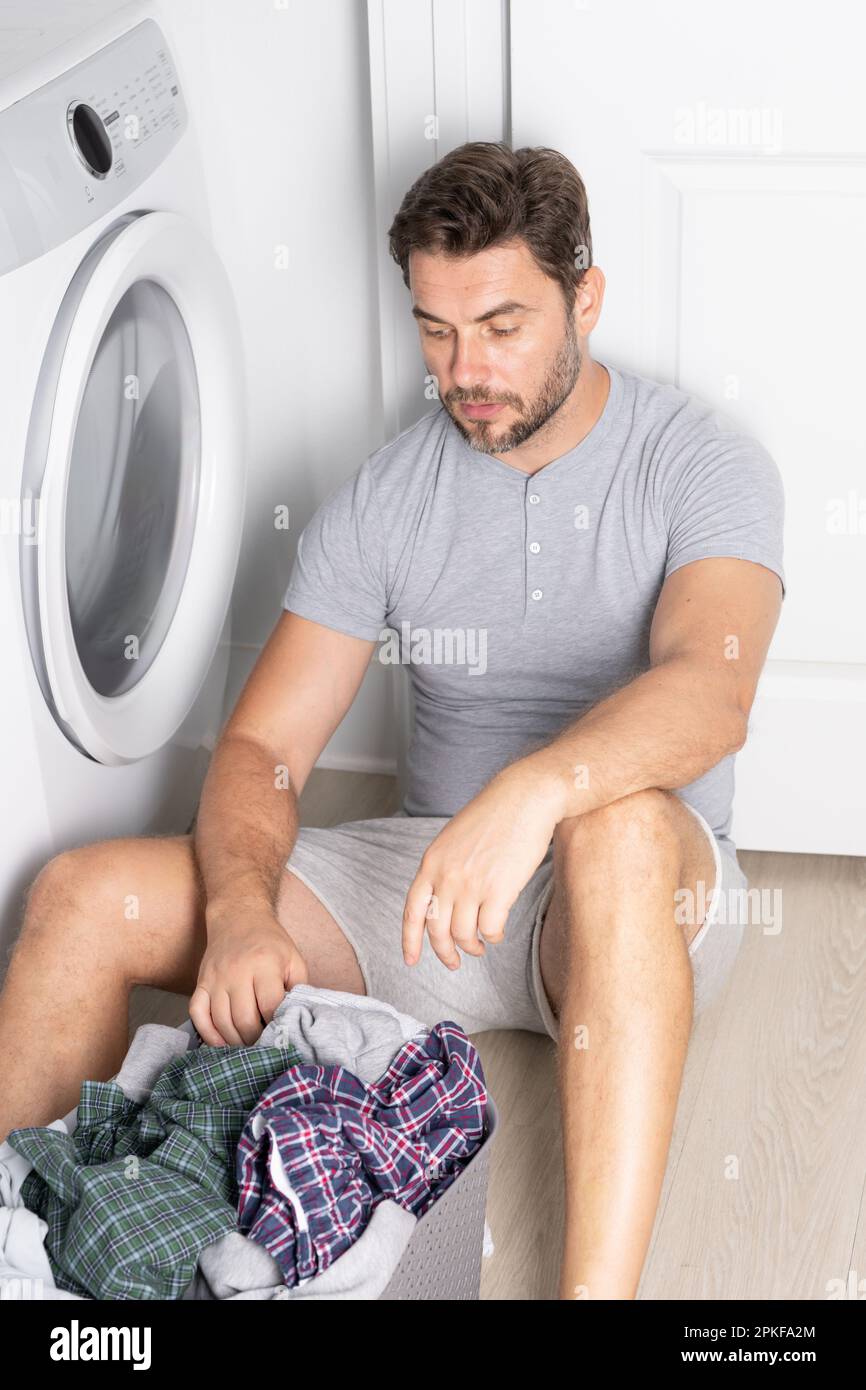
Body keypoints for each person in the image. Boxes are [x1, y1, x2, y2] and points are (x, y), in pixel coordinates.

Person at [0, 142, 784, 1300]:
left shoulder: (701, 462)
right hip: (427, 891)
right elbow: (265, 748)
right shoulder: (385, 498)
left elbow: (709, 692)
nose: (466, 369)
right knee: (77, 895)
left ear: (586, 297)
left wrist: (534, 794)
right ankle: (34, 1261)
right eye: (434, 330)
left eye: (504, 326)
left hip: (631, 883)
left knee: (611, 837)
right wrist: (239, 912)